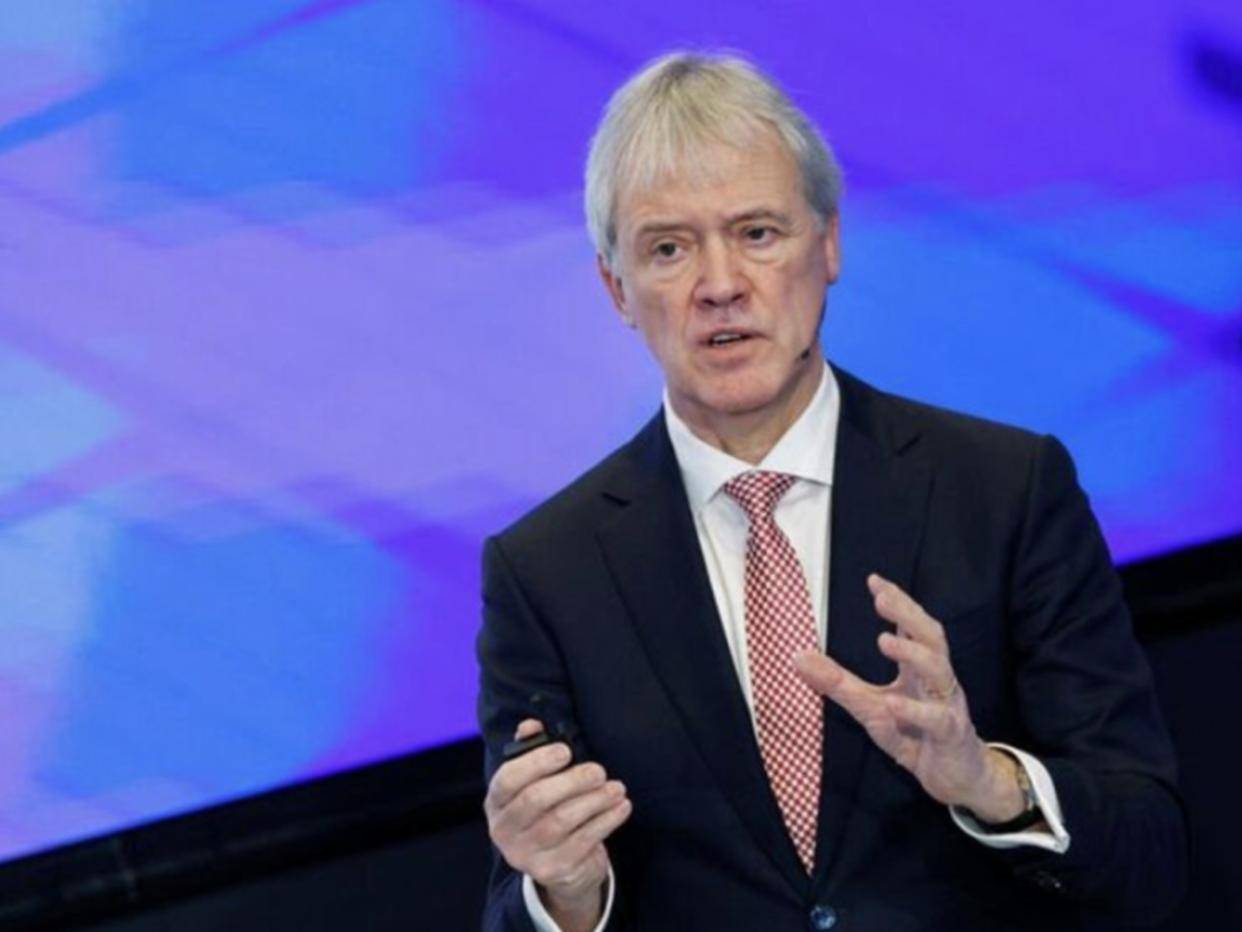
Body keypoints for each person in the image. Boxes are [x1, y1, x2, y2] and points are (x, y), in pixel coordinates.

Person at [476, 52, 1186, 931]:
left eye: (757, 233)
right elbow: (517, 904)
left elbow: (1153, 854)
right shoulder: (547, 573)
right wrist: (566, 893)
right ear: (616, 288)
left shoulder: (1005, 492)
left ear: (830, 244)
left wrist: (986, 780)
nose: (720, 285)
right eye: (668, 249)